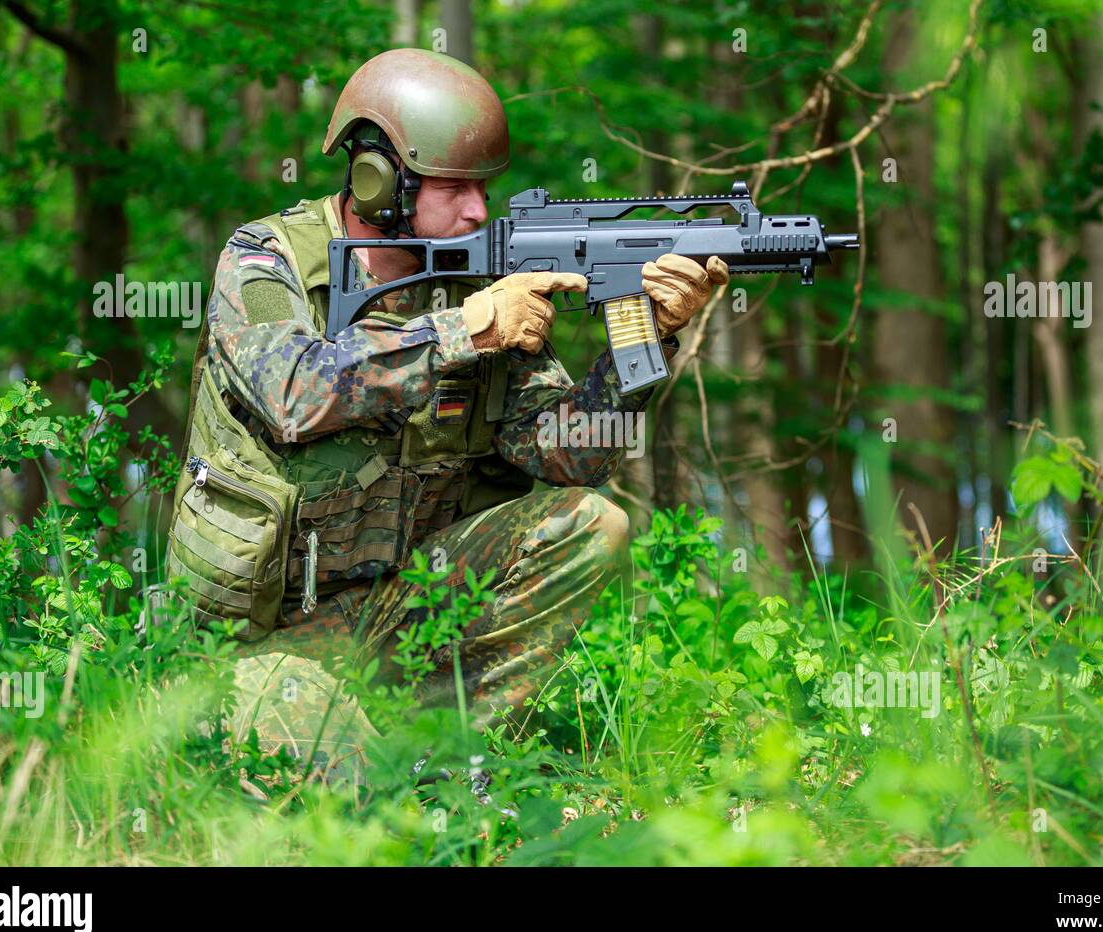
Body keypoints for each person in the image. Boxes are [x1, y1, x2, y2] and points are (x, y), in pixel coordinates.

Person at [168, 48, 728, 743]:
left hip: (404, 616)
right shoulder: (266, 260)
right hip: (264, 643)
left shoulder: (476, 285)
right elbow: (293, 391)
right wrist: (471, 329)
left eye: (485, 188)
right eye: (454, 187)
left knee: (592, 525)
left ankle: (462, 750)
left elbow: (566, 456)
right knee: (354, 796)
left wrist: (645, 341)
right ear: (380, 180)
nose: (477, 210)